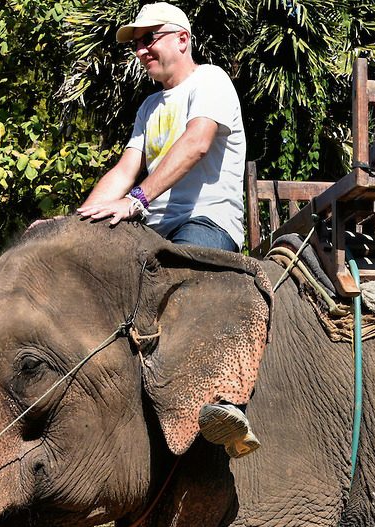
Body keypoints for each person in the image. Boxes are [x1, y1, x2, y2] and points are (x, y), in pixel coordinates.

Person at [78, 3, 258, 457]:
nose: (140, 50)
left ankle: (226, 406)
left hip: (205, 222)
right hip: (150, 231)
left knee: (183, 285)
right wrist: (75, 223)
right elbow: (124, 170)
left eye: (148, 38)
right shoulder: (148, 107)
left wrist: (137, 201)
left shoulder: (211, 81)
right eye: (136, 43)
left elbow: (197, 143)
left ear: (182, 38)